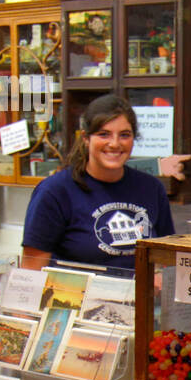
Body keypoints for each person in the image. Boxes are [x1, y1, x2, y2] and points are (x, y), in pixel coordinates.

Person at [21, 95, 176, 271]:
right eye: (104, 134)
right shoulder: (54, 192)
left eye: (124, 135)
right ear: (86, 139)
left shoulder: (151, 188)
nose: (114, 144)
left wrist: (159, 278)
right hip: (74, 298)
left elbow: (166, 259)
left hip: (139, 298)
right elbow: (30, 272)